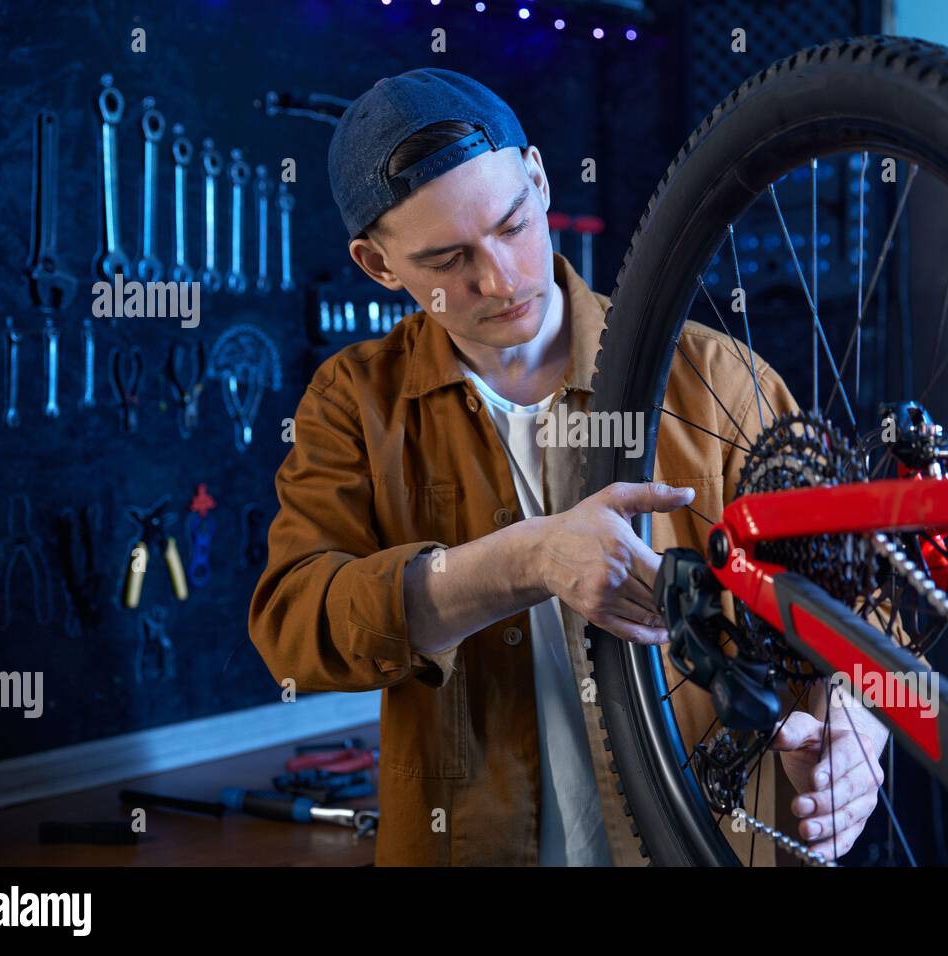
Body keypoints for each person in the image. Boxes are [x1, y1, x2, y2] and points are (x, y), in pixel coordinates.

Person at [249, 67, 887, 866]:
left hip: (714, 845)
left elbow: (866, 593)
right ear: (378, 267)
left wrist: (859, 720)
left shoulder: (717, 377)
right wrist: (524, 560)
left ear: (541, 179)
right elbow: (294, 626)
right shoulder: (352, 402)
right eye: (447, 261)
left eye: (515, 225)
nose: (503, 278)